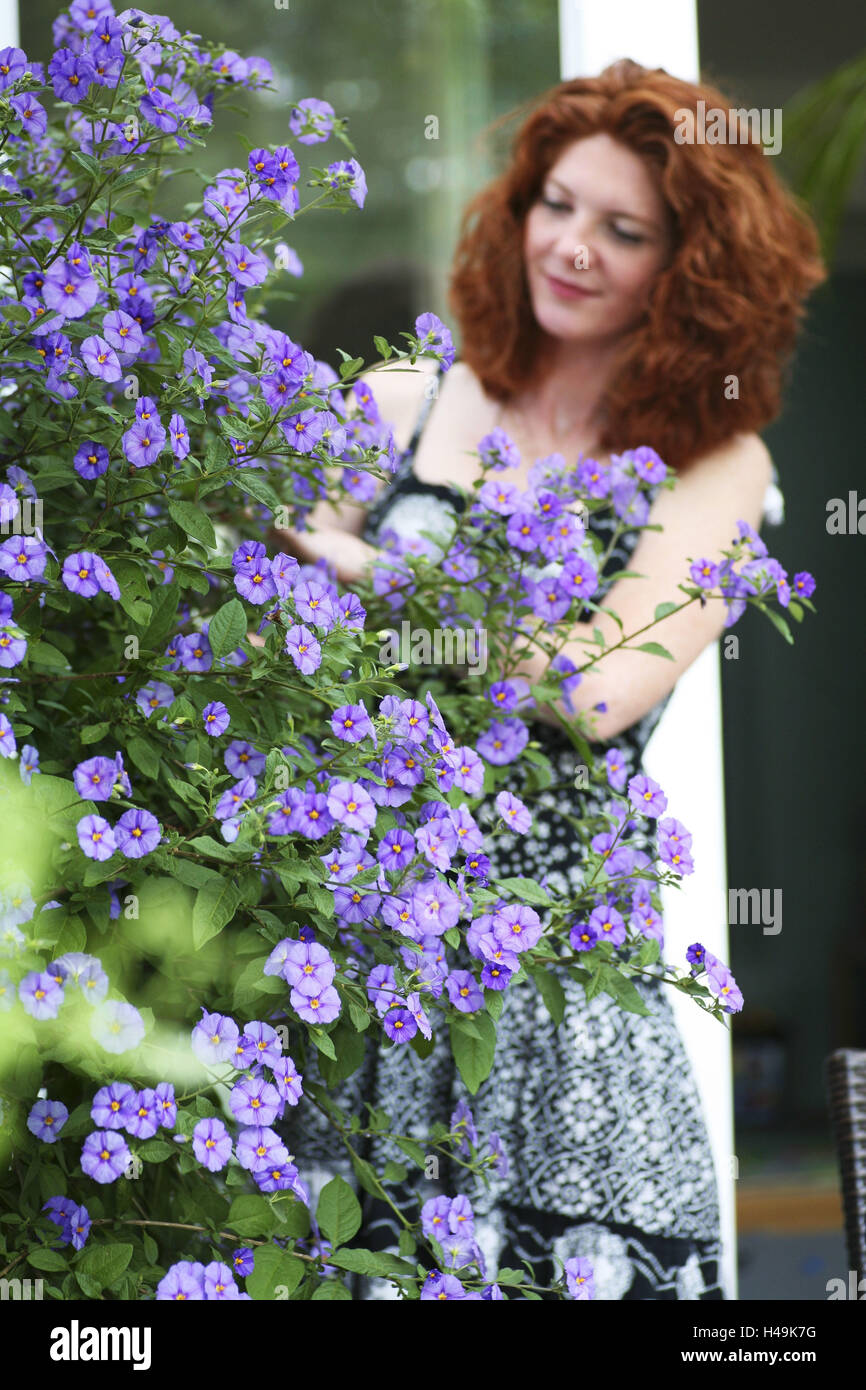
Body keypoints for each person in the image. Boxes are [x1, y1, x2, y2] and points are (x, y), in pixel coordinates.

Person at [272, 59, 825, 1299]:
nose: (570, 247)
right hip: (356, 985)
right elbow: (273, 639)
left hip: (569, 1019)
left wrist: (371, 572)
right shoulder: (401, 403)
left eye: (621, 229)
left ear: (689, 270)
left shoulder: (711, 465)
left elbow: (589, 693)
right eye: (554, 204)